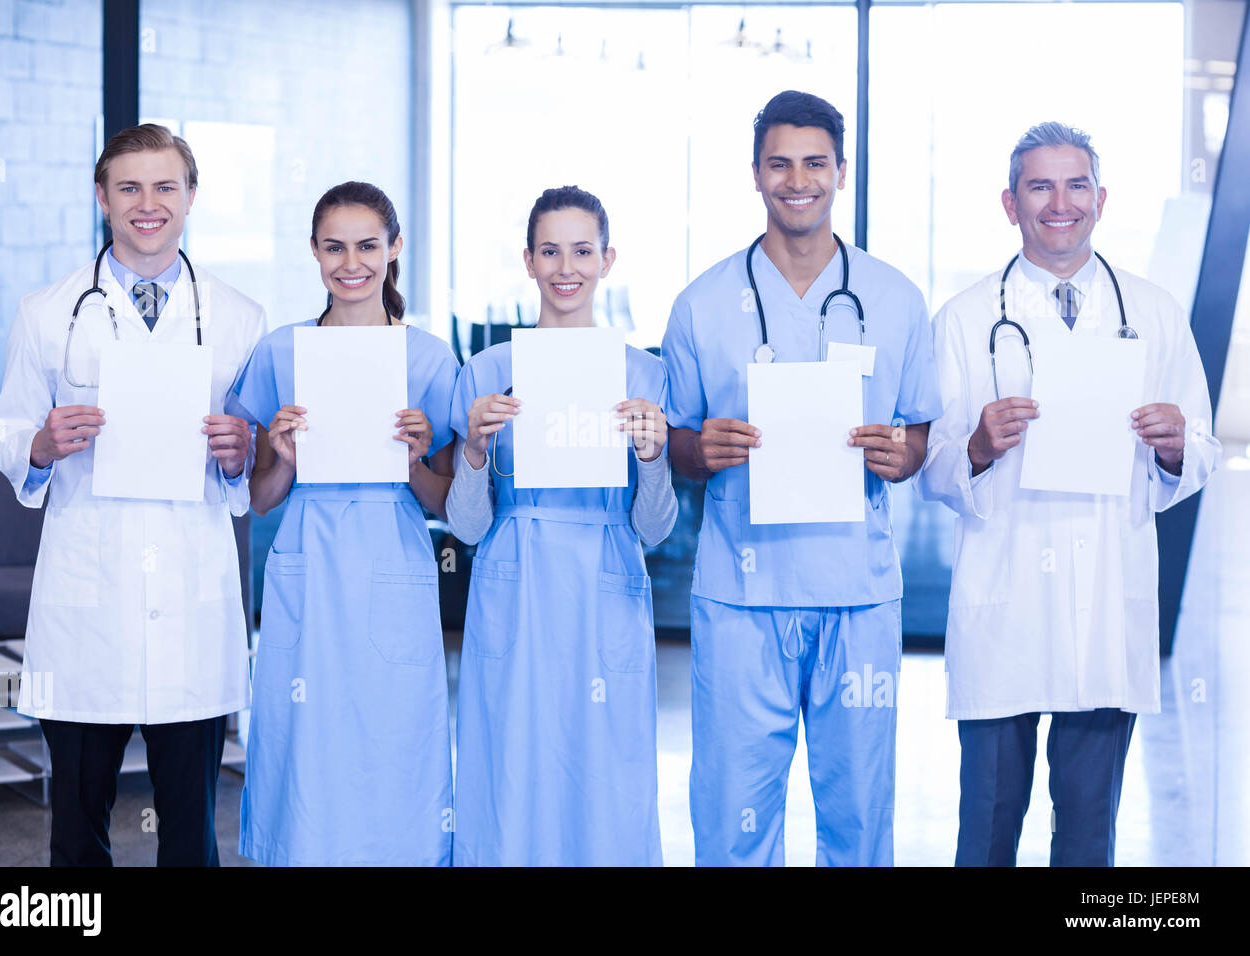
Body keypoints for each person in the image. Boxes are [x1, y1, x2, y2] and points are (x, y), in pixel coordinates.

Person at [917, 122, 1220, 867]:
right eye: (1040, 186)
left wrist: (1177, 442)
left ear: (1101, 198)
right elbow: (931, 467)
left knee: (1088, 841)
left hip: (1104, 611)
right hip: (1005, 603)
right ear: (1009, 203)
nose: (1061, 203)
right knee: (985, 832)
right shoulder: (963, 319)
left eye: (1076, 184)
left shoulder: (1151, 314)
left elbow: (1204, 448)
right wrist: (981, 446)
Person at [660, 91, 942, 866]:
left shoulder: (894, 299)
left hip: (856, 592)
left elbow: (918, 431)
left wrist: (902, 453)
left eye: (815, 162)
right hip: (742, 594)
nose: (798, 179)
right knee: (733, 814)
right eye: (779, 162)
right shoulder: (700, 305)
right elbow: (673, 440)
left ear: (841, 172)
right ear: (755, 173)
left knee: (858, 814)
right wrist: (699, 449)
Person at [0, 124, 266, 866]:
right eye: (130, 188)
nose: (149, 204)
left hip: (192, 603)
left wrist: (240, 455)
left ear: (191, 197)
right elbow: (7, 431)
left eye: (166, 186)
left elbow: (251, 468)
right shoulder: (46, 311)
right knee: (76, 835)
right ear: (103, 198)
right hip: (89, 609)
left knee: (192, 836)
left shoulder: (239, 318)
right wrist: (42, 445)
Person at [226, 181, 458, 866]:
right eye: (334, 246)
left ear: (394, 249)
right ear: (314, 252)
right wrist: (287, 456)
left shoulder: (429, 358)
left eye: (366, 245)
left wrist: (417, 458)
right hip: (308, 564)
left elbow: (449, 503)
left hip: (394, 561)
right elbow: (262, 497)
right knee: (306, 738)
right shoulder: (280, 352)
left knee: (396, 737)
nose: (350, 262)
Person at [446, 186, 677, 866]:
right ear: (528, 259)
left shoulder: (644, 375)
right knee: (511, 756)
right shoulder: (488, 374)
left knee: (607, 760)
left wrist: (654, 456)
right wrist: (475, 450)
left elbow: (655, 529)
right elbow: (465, 525)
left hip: (606, 582)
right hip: (514, 584)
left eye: (582, 250)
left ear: (609, 259)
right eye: (550, 250)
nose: (566, 267)